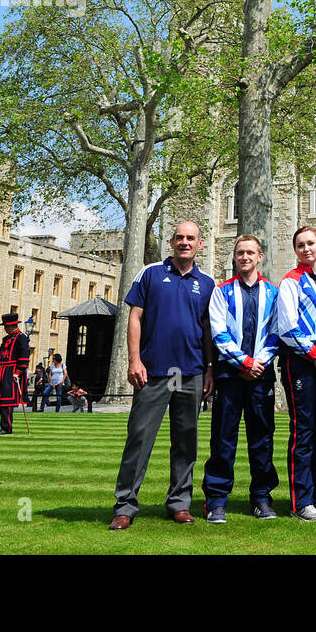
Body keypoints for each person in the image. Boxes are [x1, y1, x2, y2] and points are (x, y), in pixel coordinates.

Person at [110, 221, 216, 530]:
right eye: (180, 237)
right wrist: (134, 360)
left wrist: (211, 368)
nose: (185, 242)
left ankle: (179, 503)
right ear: (171, 241)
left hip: (192, 373)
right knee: (139, 438)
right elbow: (135, 317)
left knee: (186, 442)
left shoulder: (208, 282)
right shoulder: (151, 273)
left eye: (190, 238)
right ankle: (125, 505)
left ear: (200, 243)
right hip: (153, 371)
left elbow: (209, 331)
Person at [203, 235, 281, 524]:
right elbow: (219, 332)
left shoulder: (273, 292)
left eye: (250, 252)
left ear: (260, 256)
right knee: (223, 438)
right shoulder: (222, 292)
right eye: (240, 253)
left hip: (261, 374)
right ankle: (217, 499)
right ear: (234, 257)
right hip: (230, 374)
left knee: (262, 438)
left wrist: (259, 361)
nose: (244, 257)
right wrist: (244, 361)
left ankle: (261, 496)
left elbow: (276, 331)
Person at [276, 226, 316, 522]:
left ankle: (314, 493)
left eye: (310, 243)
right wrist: (315, 357)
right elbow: (288, 327)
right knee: (303, 430)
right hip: (302, 359)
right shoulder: (291, 282)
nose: (306, 249)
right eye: (300, 245)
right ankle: (301, 500)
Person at [0, 314, 30, 434]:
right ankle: (4, 426)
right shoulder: (6, 339)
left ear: (11, 325)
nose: (5, 329)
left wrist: (18, 372)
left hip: (12, 372)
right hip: (3, 371)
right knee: (1, 400)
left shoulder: (21, 337)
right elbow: (2, 354)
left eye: (6, 326)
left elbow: (24, 356)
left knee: (7, 401)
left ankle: (7, 428)